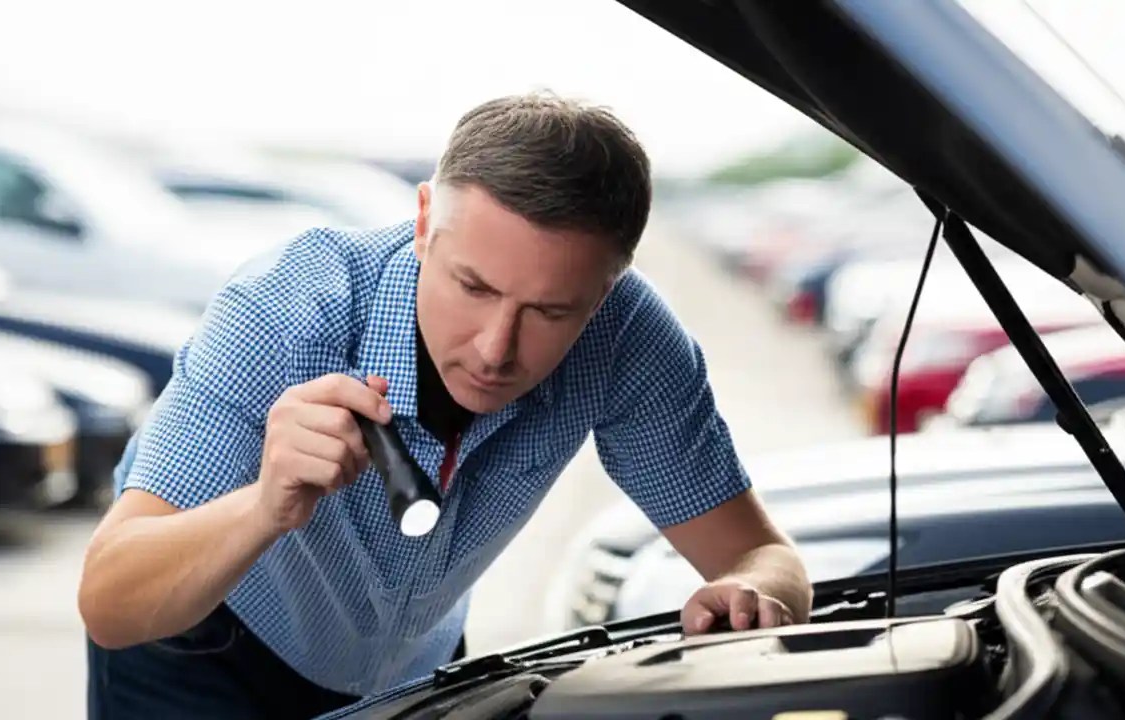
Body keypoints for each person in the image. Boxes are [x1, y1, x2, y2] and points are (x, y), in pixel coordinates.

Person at [78, 92, 814, 719]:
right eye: (475, 288)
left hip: (412, 668)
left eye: (552, 312)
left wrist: (750, 594)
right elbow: (111, 600)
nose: (497, 349)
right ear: (425, 219)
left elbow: (765, 557)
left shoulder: (628, 337)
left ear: (609, 285)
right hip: (208, 647)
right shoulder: (283, 311)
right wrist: (264, 506)